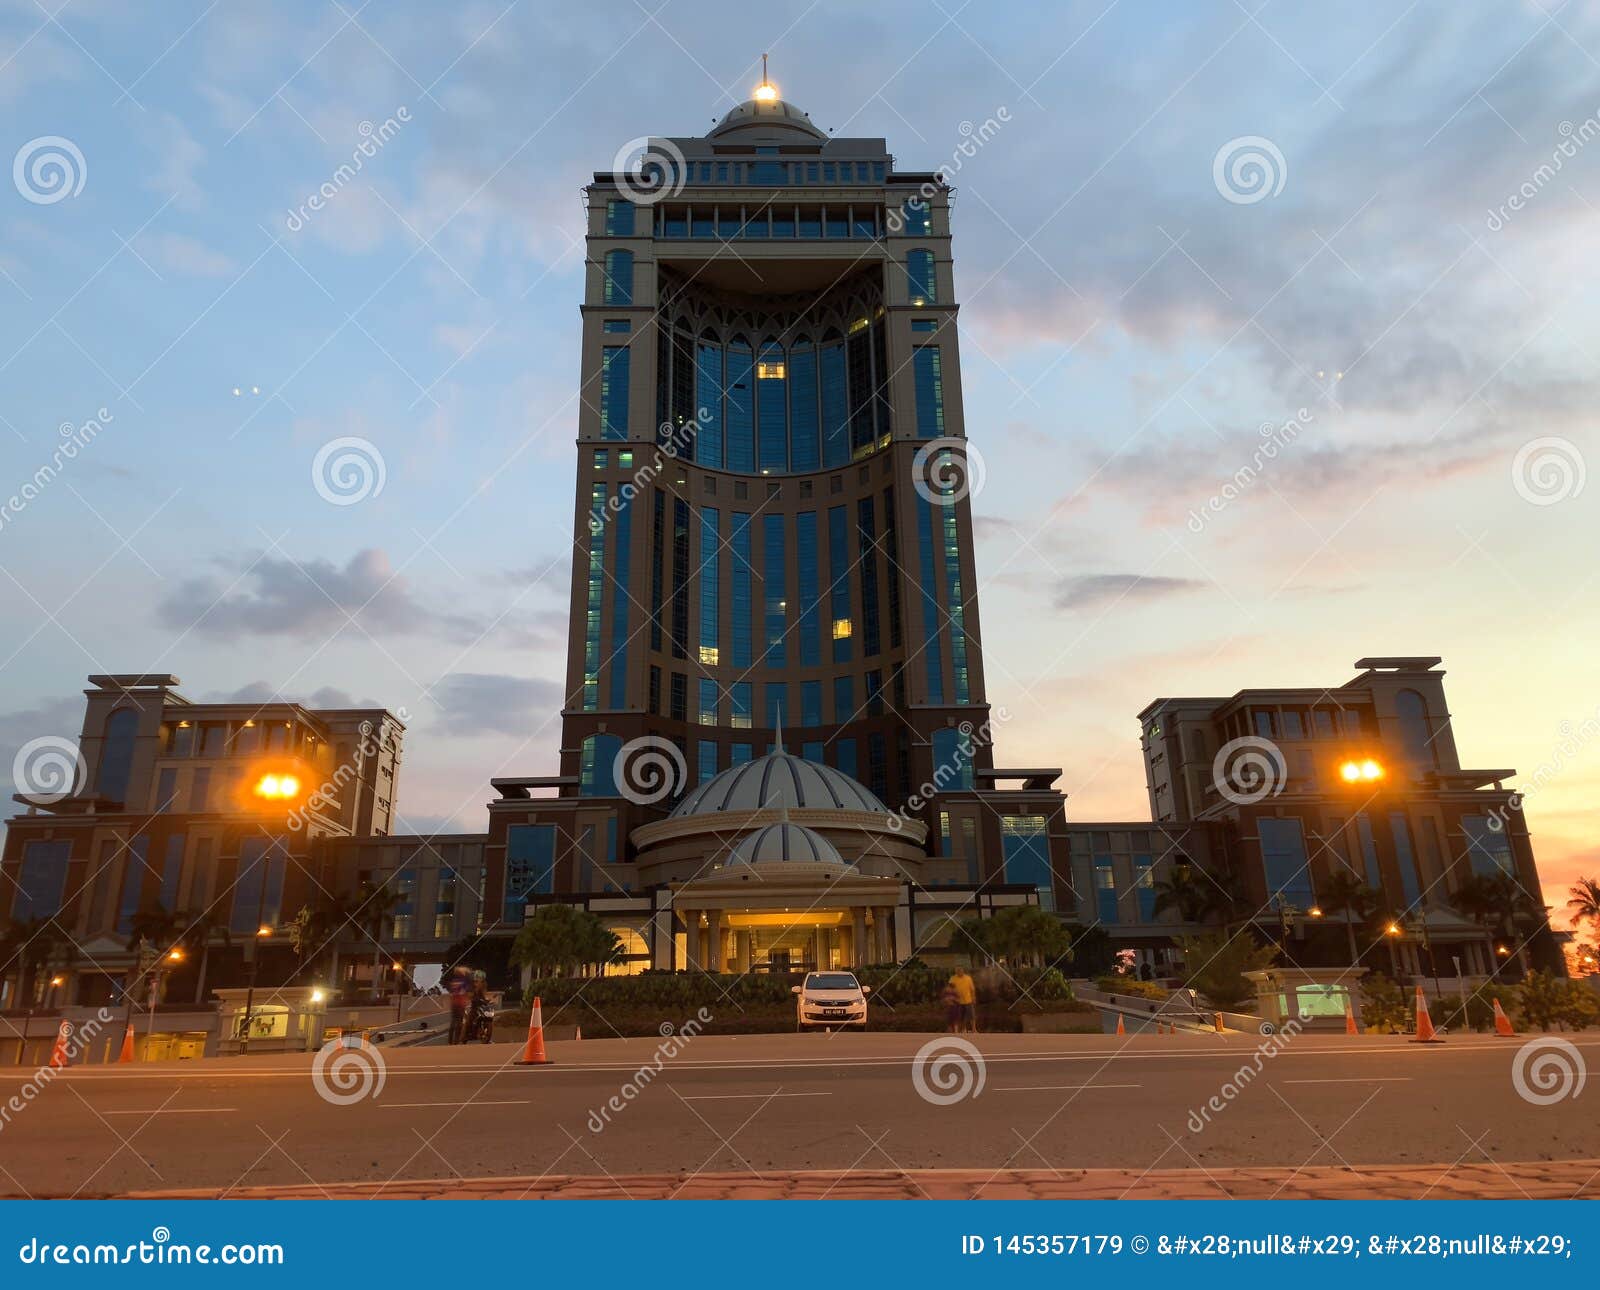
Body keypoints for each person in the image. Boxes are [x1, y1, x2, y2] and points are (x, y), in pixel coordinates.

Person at [445, 966, 471, 1044]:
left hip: (454, 1004)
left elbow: (452, 992)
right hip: (460, 1004)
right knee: (459, 1023)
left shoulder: (454, 982)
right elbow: (467, 992)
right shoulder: (464, 982)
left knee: (453, 1022)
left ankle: (450, 1040)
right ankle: (456, 1040)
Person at [949, 967, 977, 1034]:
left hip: (968, 1000)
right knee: (961, 1017)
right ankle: (963, 1030)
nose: (959, 972)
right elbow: (950, 989)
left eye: (960, 970)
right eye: (957, 971)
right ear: (956, 972)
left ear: (963, 971)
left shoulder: (968, 978)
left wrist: (973, 998)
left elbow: (972, 989)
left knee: (972, 1016)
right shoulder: (953, 979)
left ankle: (974, 1029)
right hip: (958, 1002)